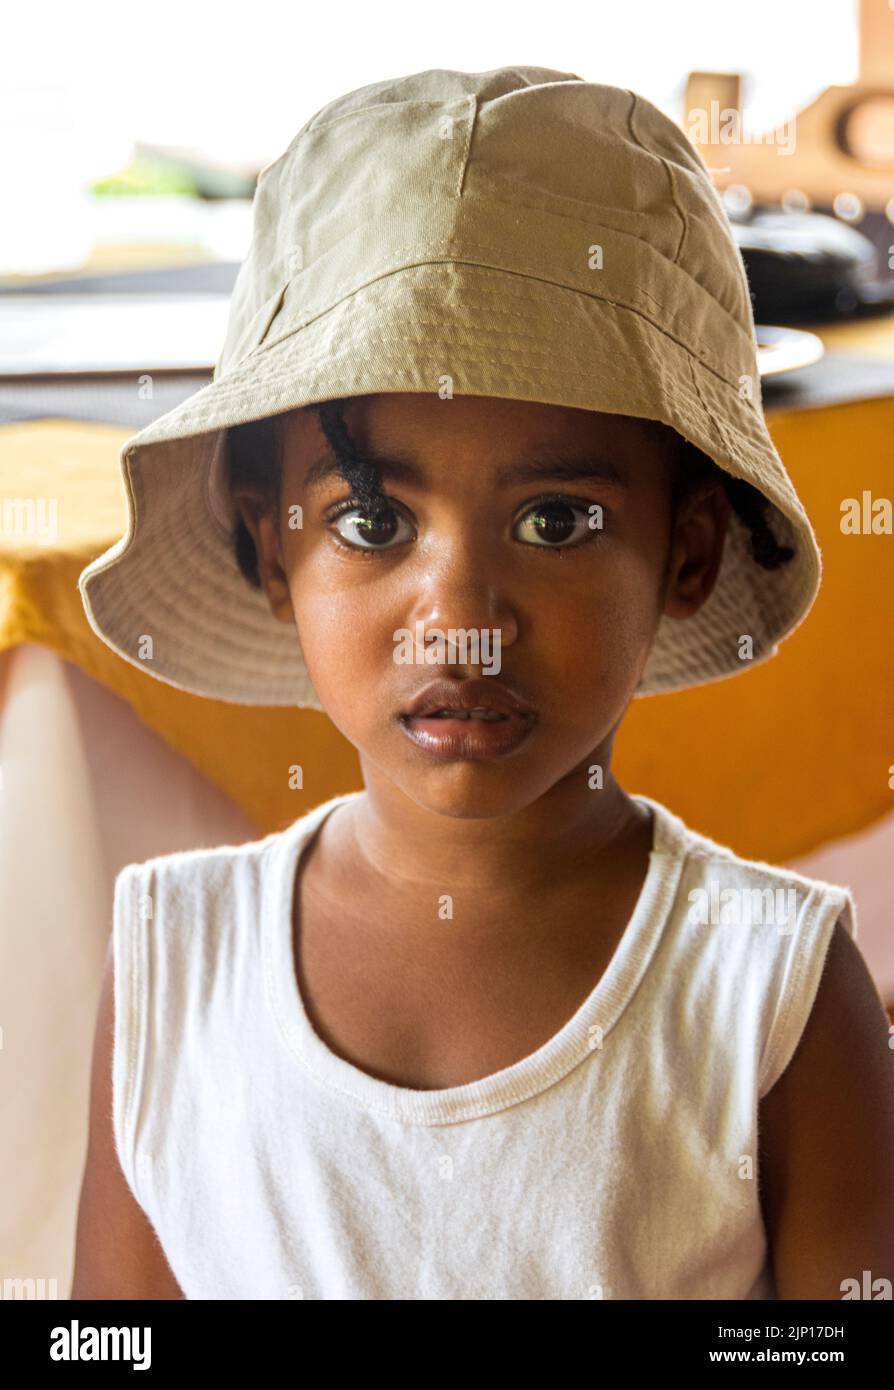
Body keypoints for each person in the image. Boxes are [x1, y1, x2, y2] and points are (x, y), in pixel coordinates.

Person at [72, 66, 894, 1300]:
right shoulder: (172, 964)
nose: (459, 622)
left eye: (556, 520)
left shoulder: (769, 989)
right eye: (369, 517)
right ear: (266, 541)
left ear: (689, 551)